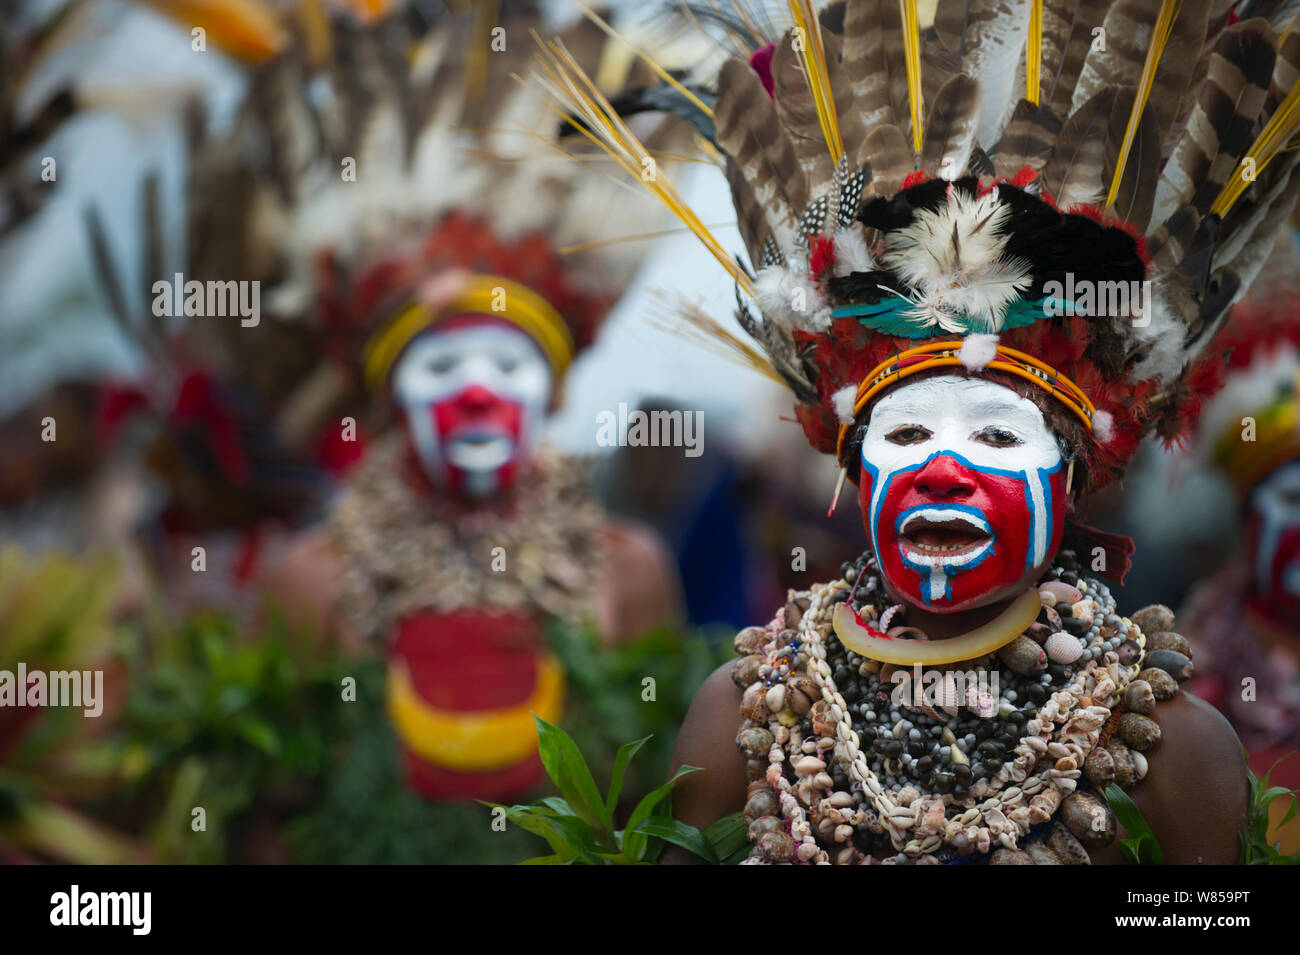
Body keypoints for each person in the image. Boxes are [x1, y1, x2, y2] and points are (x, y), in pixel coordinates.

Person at [531, 0, 1300, 862]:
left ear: (1076, 475)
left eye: (999, 440)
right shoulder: (745, 713)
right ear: (853, 468)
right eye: (905, 437)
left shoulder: (1169, 747)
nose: (942, 469)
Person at [255, 4, 686, 802]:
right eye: (444, 362)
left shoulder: (630, 567)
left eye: (507, 362)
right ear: (390, 399)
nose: (478, 390)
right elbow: (271, 811)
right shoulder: (312, 578)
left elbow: (660, 806)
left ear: (553, 390)